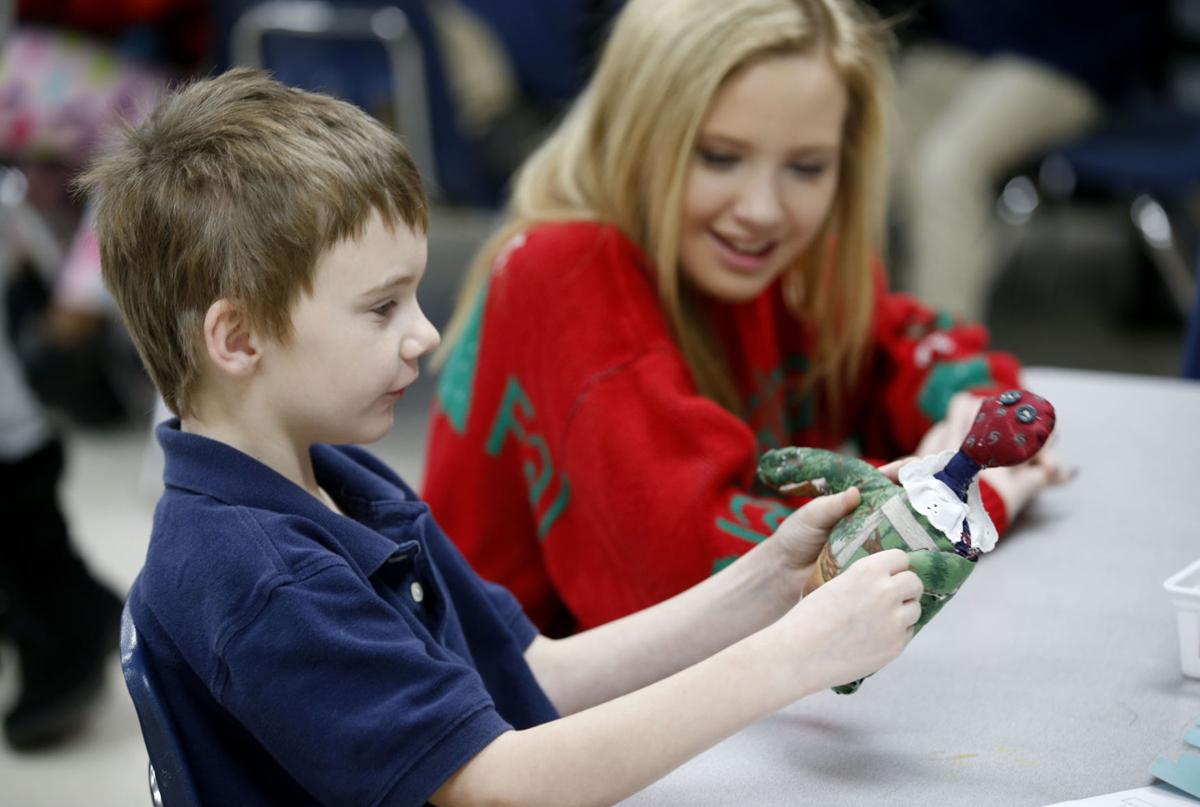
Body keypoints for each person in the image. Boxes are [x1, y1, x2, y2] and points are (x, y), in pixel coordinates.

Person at [82, 67, 924, 804]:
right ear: (238, 340)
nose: (423, 335)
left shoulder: (342, 484)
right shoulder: (260, 576)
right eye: (382, 307)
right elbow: (496, 785)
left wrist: (771, 581)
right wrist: (794, 658)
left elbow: (538, 674)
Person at [423, 0, 1067, 636]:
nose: (761, 209)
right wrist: (975, 506)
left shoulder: (796, 254)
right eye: (718, 157)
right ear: (634, 136)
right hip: (521, 715)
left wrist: (972, 418)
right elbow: (705, 582)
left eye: (807, 167)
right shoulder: (562, 273)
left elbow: (896, 348)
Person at [889, 0, 1170, 322]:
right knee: (857, 154)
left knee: (945, 169)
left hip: (1062, 60)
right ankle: (844, 342)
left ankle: (943, 349)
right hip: (955, 48)